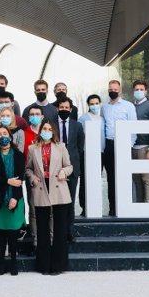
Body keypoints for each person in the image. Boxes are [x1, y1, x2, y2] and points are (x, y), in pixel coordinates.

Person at [25, 121, 72, 274]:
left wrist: (65, 172)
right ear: (40, 131)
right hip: (41, 188)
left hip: (59, 188)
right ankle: (43, 265)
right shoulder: (33, 148)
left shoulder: (61, 147)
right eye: (44, 129)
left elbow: (69, 166)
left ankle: (59, 265)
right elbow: (28, 169)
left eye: (49, 129)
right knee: (42, 229)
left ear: (54, 132)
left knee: (59, 229)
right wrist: (32, 178)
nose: (46, 131)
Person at [0, 125, 26, 275]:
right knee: (0, 233)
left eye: (5, 133)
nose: (2, 136)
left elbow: (20, 178)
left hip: (15, 197)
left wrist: (14, 197)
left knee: (13, 233)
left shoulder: (18, 155)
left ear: (10, 136)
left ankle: (14, 262)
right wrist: (7, 181)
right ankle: (1, 262)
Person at [100, 80, 136, 216]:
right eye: (110, 89)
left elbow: (133, 127)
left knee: (124, 177)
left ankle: (125, 207)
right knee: (111, 178)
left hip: (123, 145)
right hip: (109, 145)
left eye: (115, 89)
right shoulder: (104, 107)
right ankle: (112, 208)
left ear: (120, 90)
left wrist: (129, 146)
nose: (113, 91)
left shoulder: (128, 106)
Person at [56, 98, 84, 232]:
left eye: (66, 108)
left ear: (71, 109)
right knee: (57, 200)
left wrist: (70, 160)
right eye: (61, 107)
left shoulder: (77, 125)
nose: (64, 110)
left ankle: (70, 230)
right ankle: (58, 229)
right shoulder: (52, 125)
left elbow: (79, 147)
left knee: (70, 200)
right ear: (57, 108)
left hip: (72, 167)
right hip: (55, 168)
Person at [130, 81, 149, 204]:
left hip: (145, 147)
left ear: (146, 91)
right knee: (136, 178)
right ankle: (139, 206)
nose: (139, 91)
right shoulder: (130, 107)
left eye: (141, 89)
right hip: (132, 147)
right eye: (136, 89)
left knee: (146, 178)